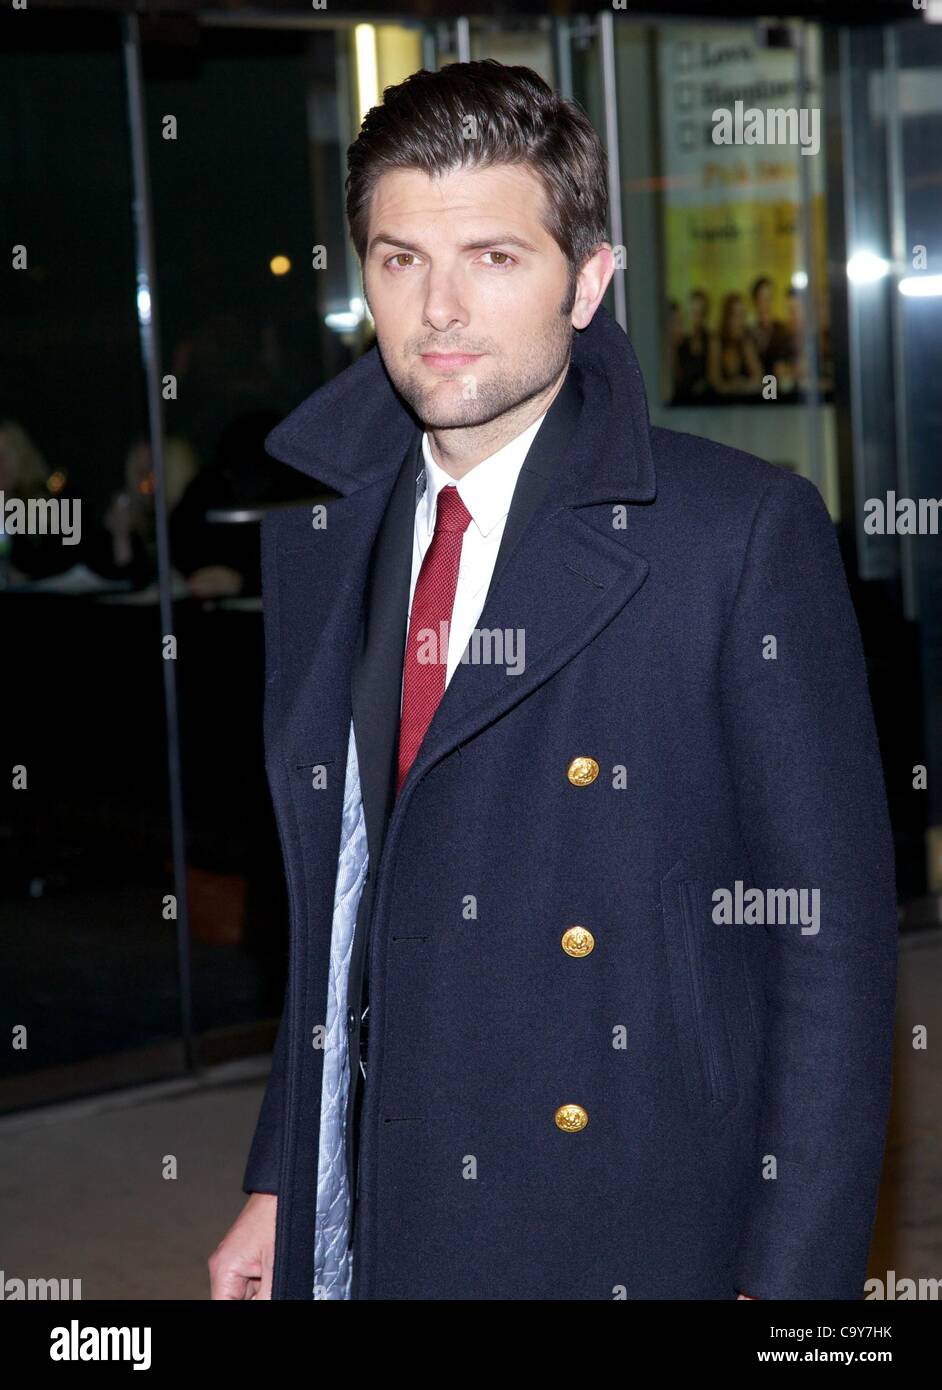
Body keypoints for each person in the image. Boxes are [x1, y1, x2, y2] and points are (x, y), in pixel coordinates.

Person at [208, 59, 897, 1302]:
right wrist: (286, 1176)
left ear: (588, 280)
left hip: (629, 1212)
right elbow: (349, 906)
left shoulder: (733, 533)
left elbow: (827, 942)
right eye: (401, 258)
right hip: (392, 1188)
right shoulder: (330, 537)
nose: (440, 309)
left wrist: (793, 1283)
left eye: (495, 257)